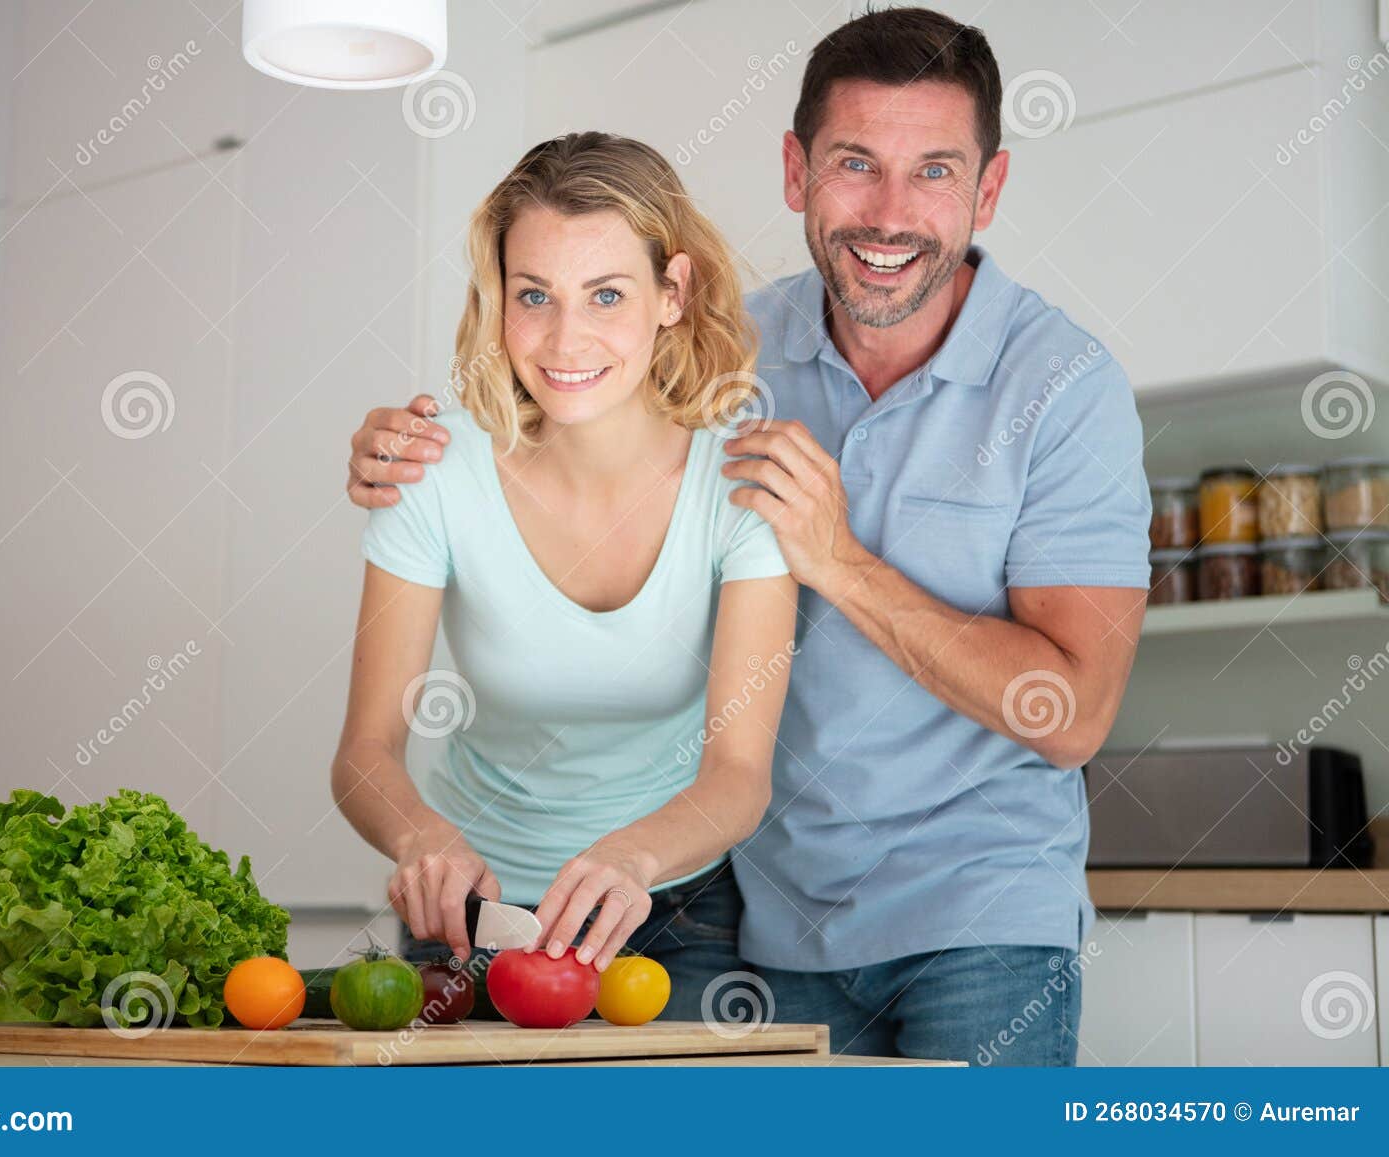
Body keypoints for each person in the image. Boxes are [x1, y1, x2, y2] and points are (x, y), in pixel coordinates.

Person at [343, 8, 1150, 1064]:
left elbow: (1073, 714)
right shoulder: (723, 356)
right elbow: (568, 385)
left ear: (987, 189)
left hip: (976, 908)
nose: (889, 211)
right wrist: (403, 449)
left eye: (934, 171)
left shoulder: (1062, 387)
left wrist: (839, 561)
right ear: (796, 171)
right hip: (770, 910)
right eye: (854, 163)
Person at [330, 132, 798, 1020]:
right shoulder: (432, 471)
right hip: (472, 910)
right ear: (498, 297)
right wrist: (422, 838)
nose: (564, 337)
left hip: (675, 907)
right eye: (534, 294)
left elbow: (740, 771)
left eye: (607, 294)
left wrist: (632, 857)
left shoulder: (742, 484)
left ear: (673, 293)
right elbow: (363, 752)